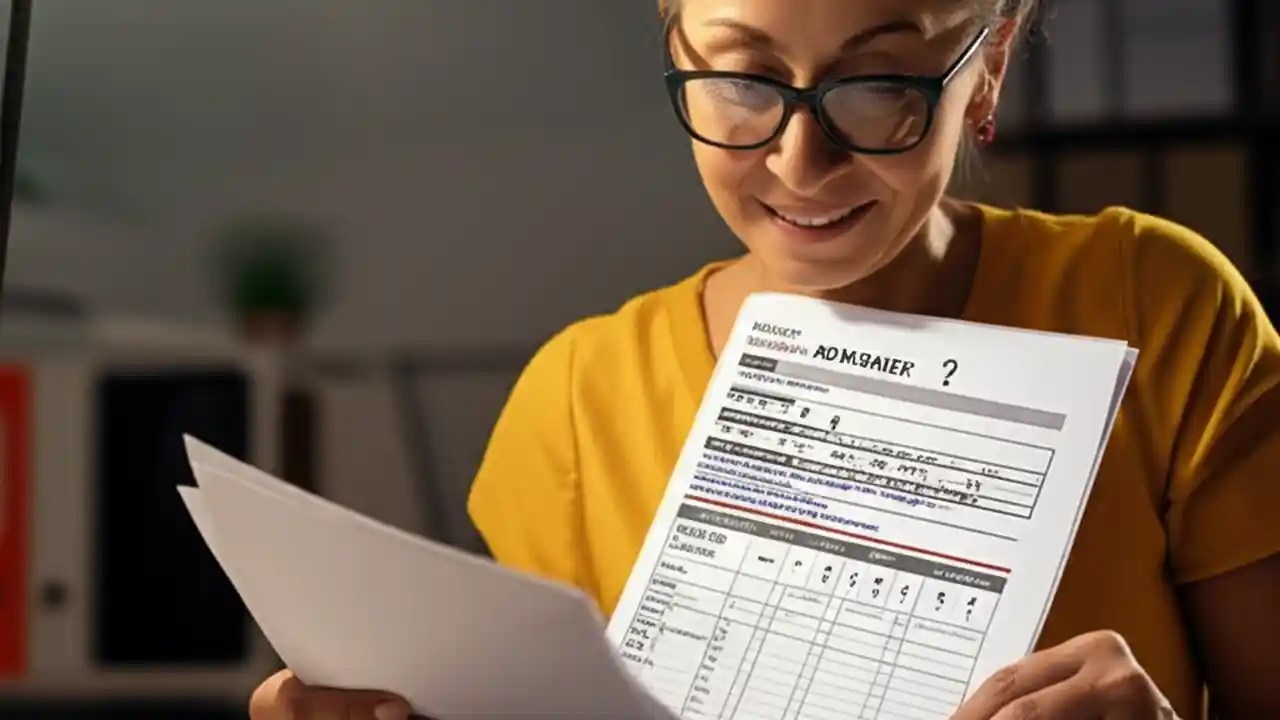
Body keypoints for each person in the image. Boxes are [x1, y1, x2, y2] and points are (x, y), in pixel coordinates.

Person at [248, 0, 1280, 718]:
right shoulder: (576, 398)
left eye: (876, 82)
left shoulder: (1156, 306)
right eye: (742, 79)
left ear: (989, 67)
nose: (799, 160)